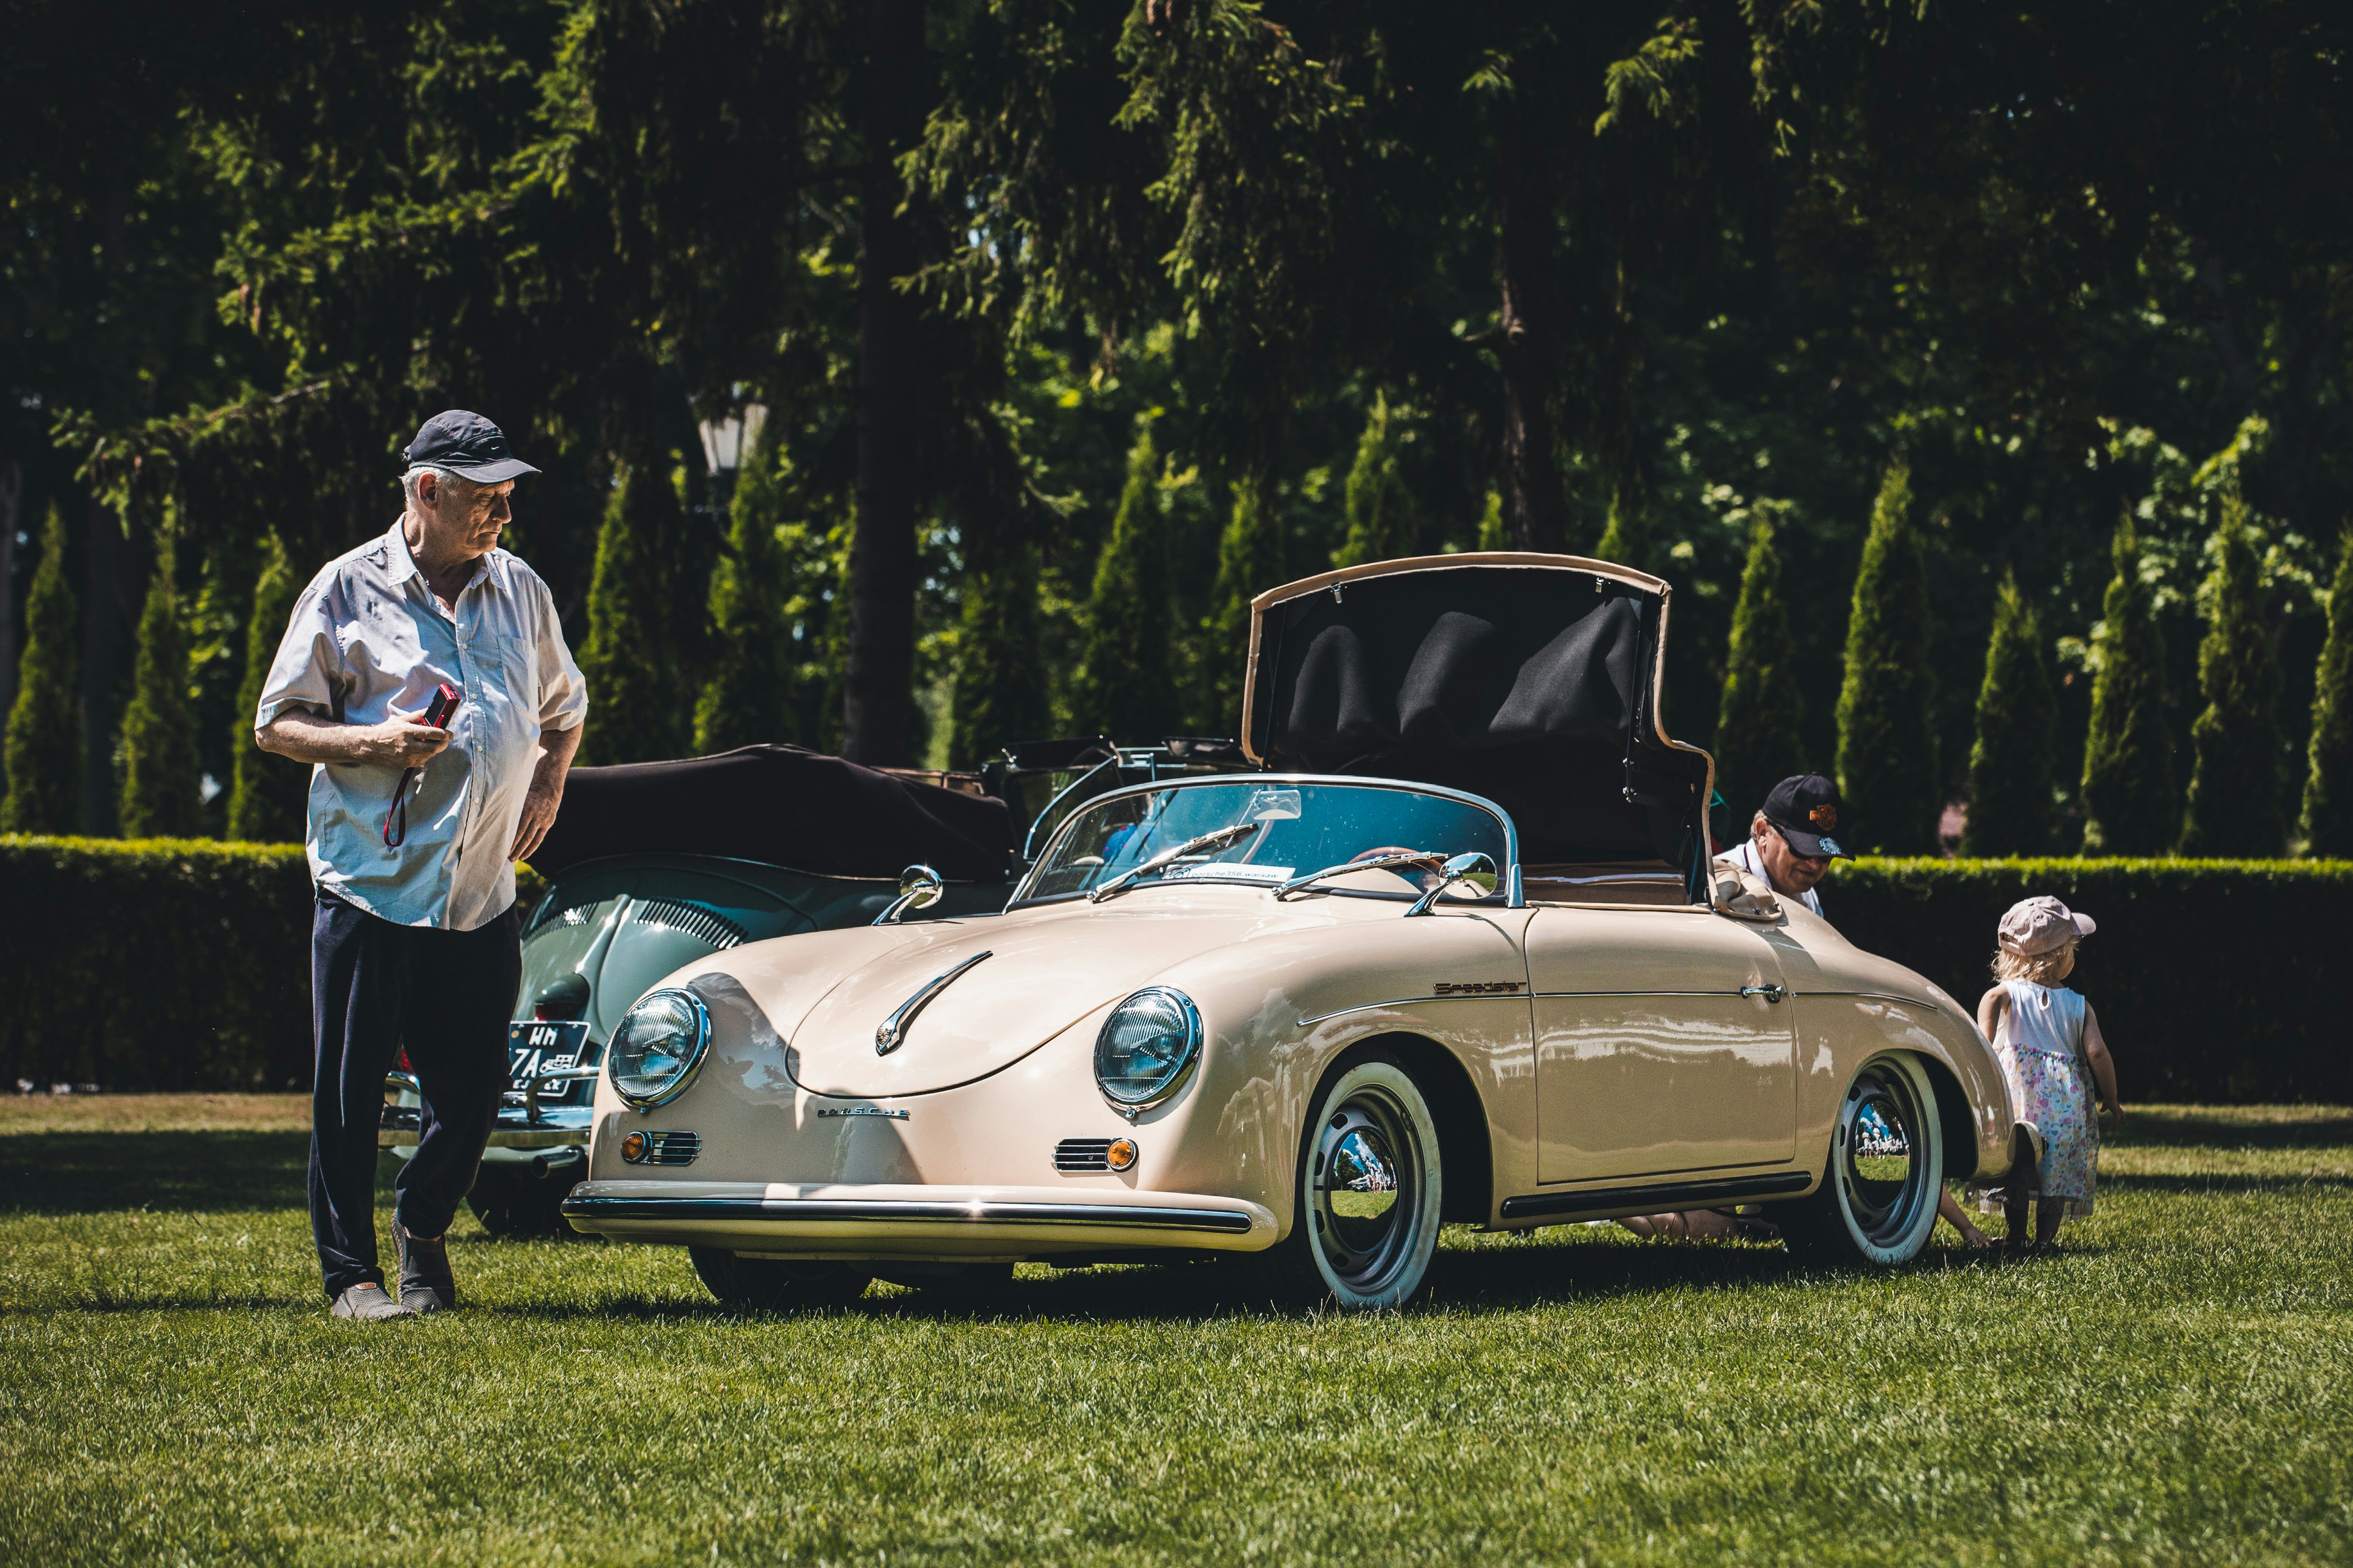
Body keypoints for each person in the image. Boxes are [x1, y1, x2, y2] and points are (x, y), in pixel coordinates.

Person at [255, 411, 587, 1321]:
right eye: (487, 499)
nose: (503, 517)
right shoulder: (345, 587)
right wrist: (373, 743)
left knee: (473, 1095)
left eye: (509, 498)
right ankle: (351, 1277)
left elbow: (565, 706)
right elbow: (277, 723)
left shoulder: (521, 589)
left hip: (479, 891)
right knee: (348, 1096)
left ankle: (423, 1220)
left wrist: (548, 781)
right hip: (371, 883)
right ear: (428, 491)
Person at [1974, 896, 2123, 1252]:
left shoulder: (2009, 993)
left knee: (2017, 1169)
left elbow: (1990, 1001)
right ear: (2062, 955)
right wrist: (2112, 1097)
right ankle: (2044, 1242)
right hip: (2064, 1108)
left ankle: (2016, 1237)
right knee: (2055, 1179)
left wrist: (1986, 1045)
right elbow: (2097, 1052)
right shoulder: (2078, 1004)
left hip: (2019, 1102)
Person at [1718, 773, 1848, 917]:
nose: (1815, 866)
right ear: (1763, 832)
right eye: (1802, 850)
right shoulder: (1718, 884)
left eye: (1826, 855)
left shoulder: (1806, 895)